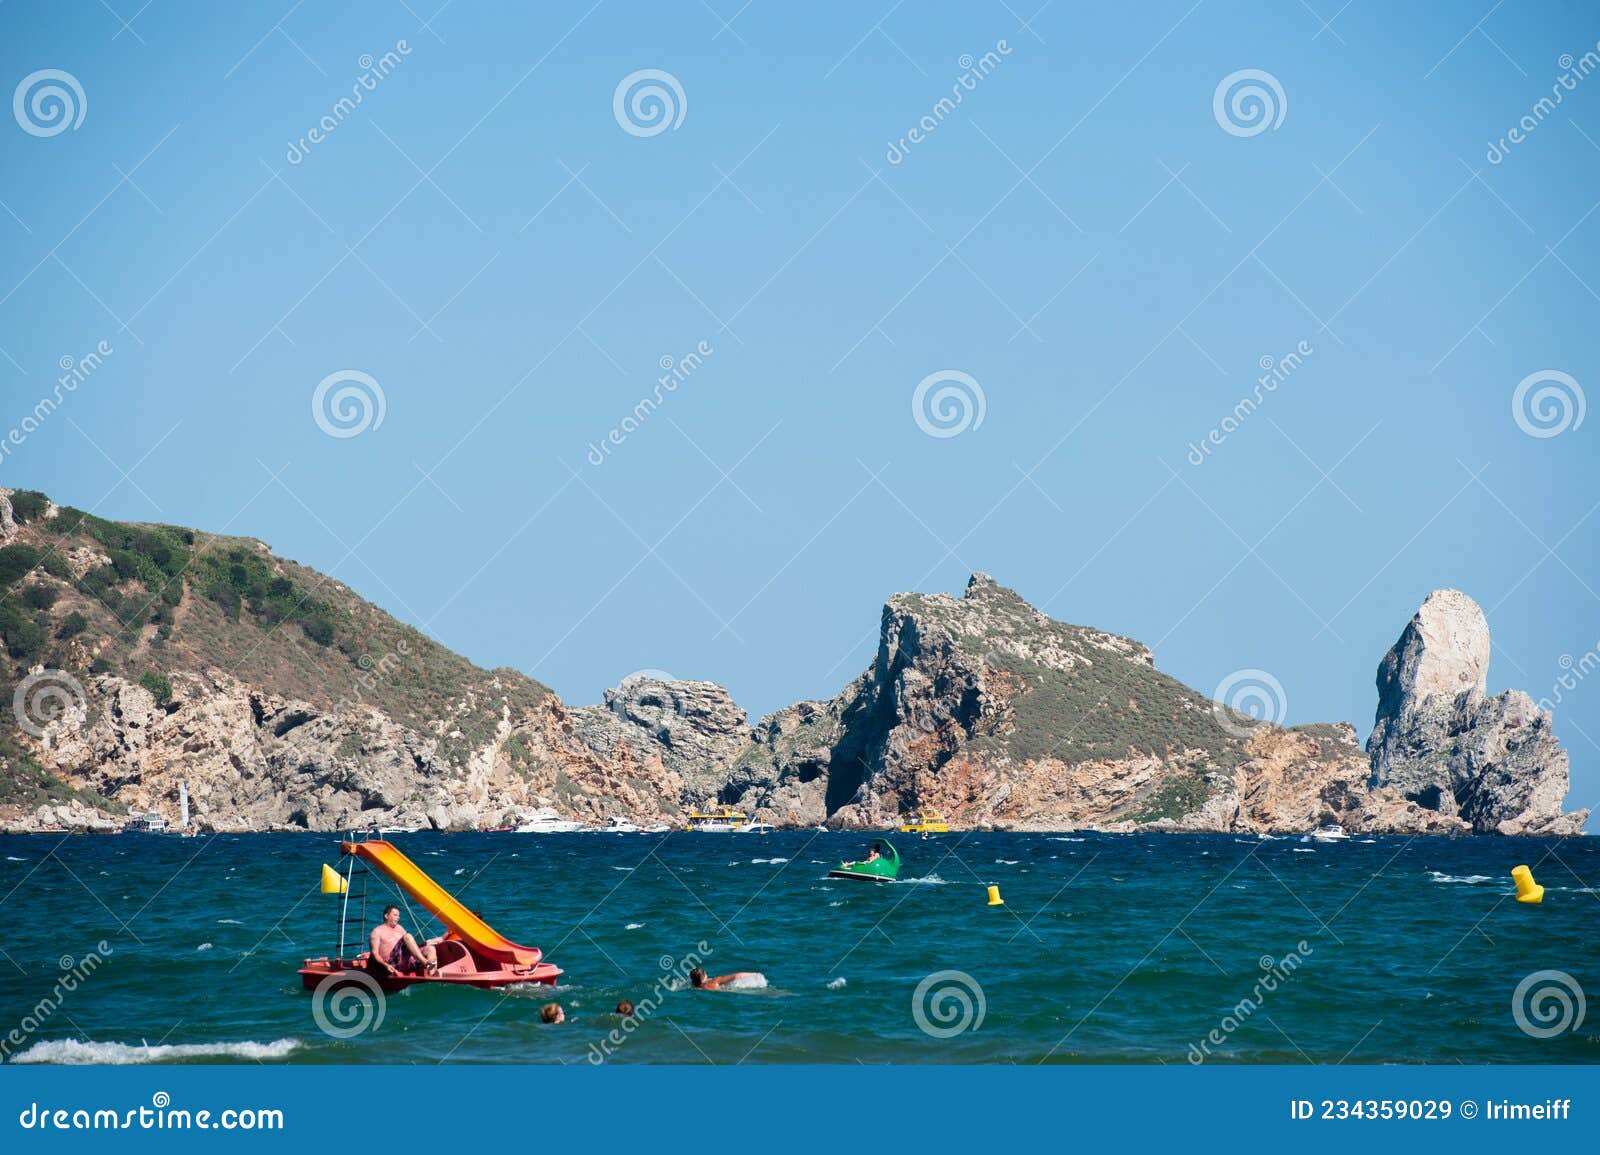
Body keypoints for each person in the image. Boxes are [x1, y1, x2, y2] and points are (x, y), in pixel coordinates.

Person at [368, 904, 437, 976]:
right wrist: (386, 965)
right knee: (407, 936)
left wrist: (425, 943)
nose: (398, 918)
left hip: (406, 962)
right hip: (392, 964)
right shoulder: (377, 932)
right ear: (386, 916)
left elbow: (411, 945)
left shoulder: (400, 928)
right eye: (395, 915)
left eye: (398, 916)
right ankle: (426, 963)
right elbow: (374, 953)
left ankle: (432, 976)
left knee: (430, 949)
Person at [689, 966, 765, 991]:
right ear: (704, 975)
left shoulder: (696, 987)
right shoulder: (714, 981)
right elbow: (735, 976)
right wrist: (753, 974)